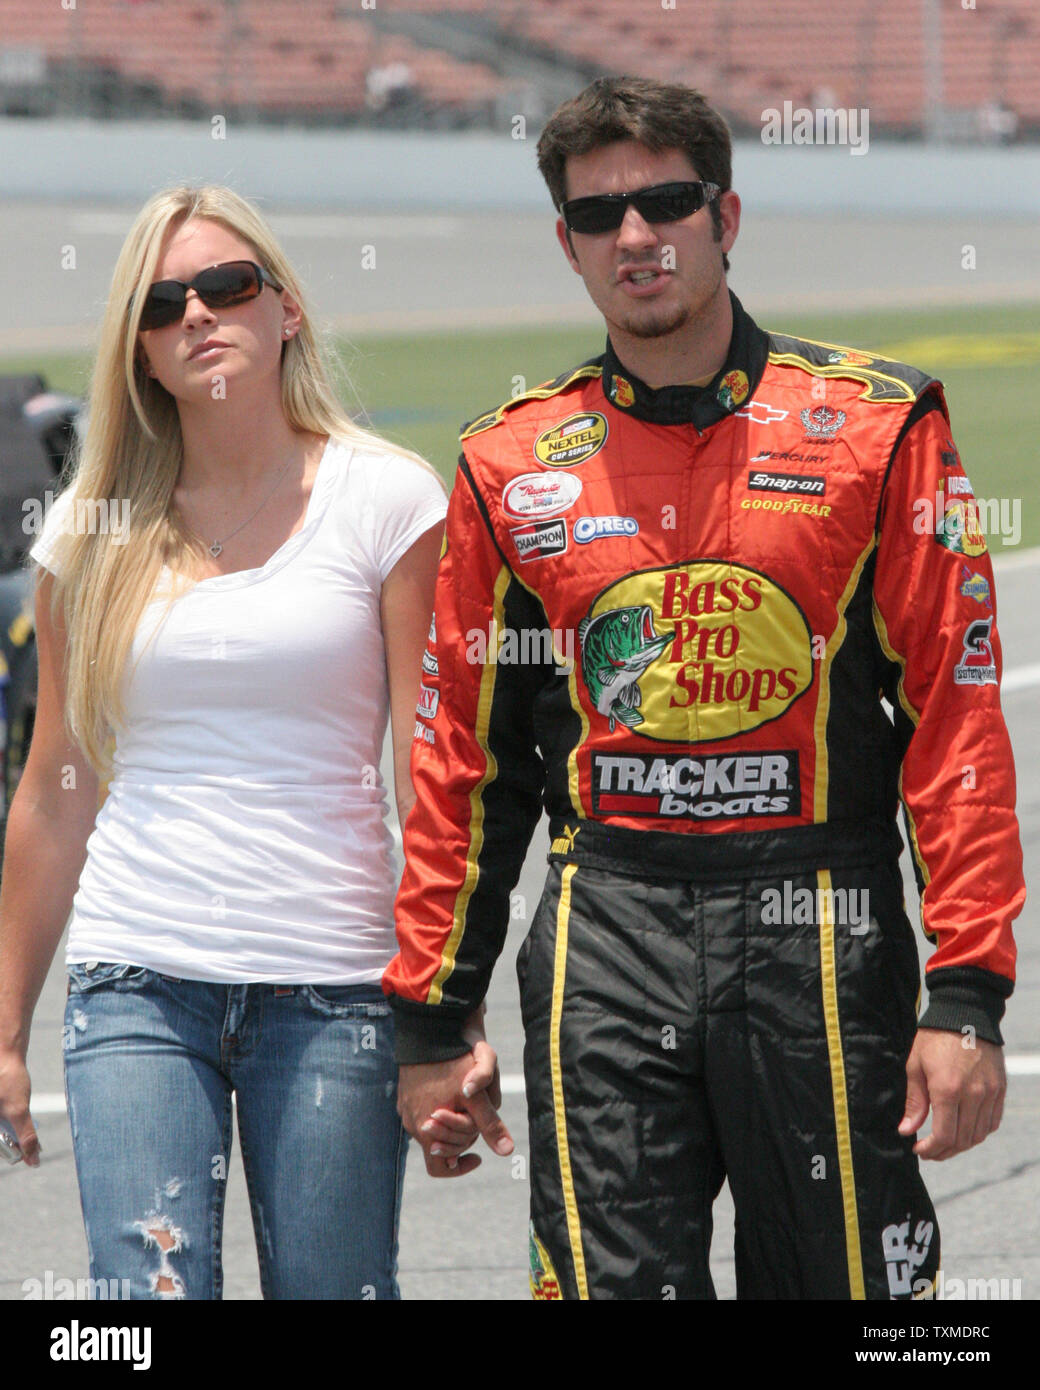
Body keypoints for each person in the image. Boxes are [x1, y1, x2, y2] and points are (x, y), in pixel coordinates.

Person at [383, 76, 1025, 1300]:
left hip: (816, 920)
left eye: (665, 203)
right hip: (604, 923)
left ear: (724, 217)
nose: (635, 237)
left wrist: (968, 996)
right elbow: (461, 763)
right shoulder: (506, 461)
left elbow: (956, 720)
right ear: (565, 246)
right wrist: (430, 1019)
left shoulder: (877, 427)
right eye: (598, 215)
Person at [0, 185, 449, 1299]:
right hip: (137, 981)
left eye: (227, 286)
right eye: (162, 306)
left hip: (336, 985)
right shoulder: (86, 529)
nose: (197, 315)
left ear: (285, 308)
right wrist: (4, 1026)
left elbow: (428, 772)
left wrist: (446, 1009)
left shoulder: (388, 498)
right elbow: (57, 787)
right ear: (140, 353)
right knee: (141, 1300)